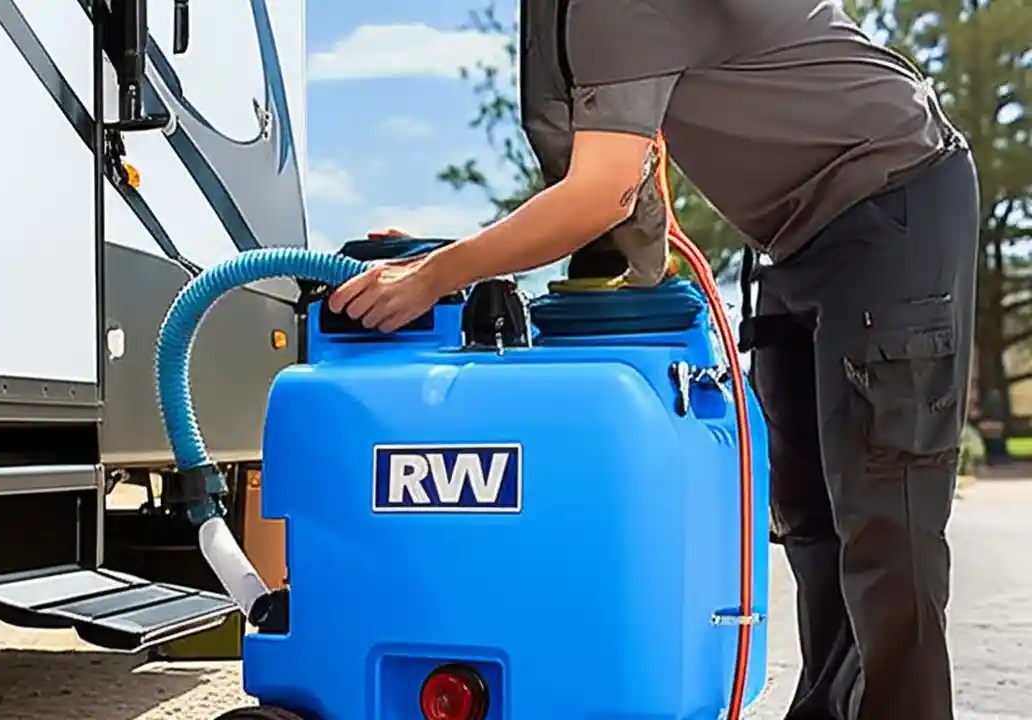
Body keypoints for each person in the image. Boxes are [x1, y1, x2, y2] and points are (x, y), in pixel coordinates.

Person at [329, 1, 979, 718]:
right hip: (796, 238)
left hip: (892, 198)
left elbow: (601, 193)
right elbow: (619, 172)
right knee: (810, 512)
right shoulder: (573, 17)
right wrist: (440, 262)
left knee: (886, 511)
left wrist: (433, 275)